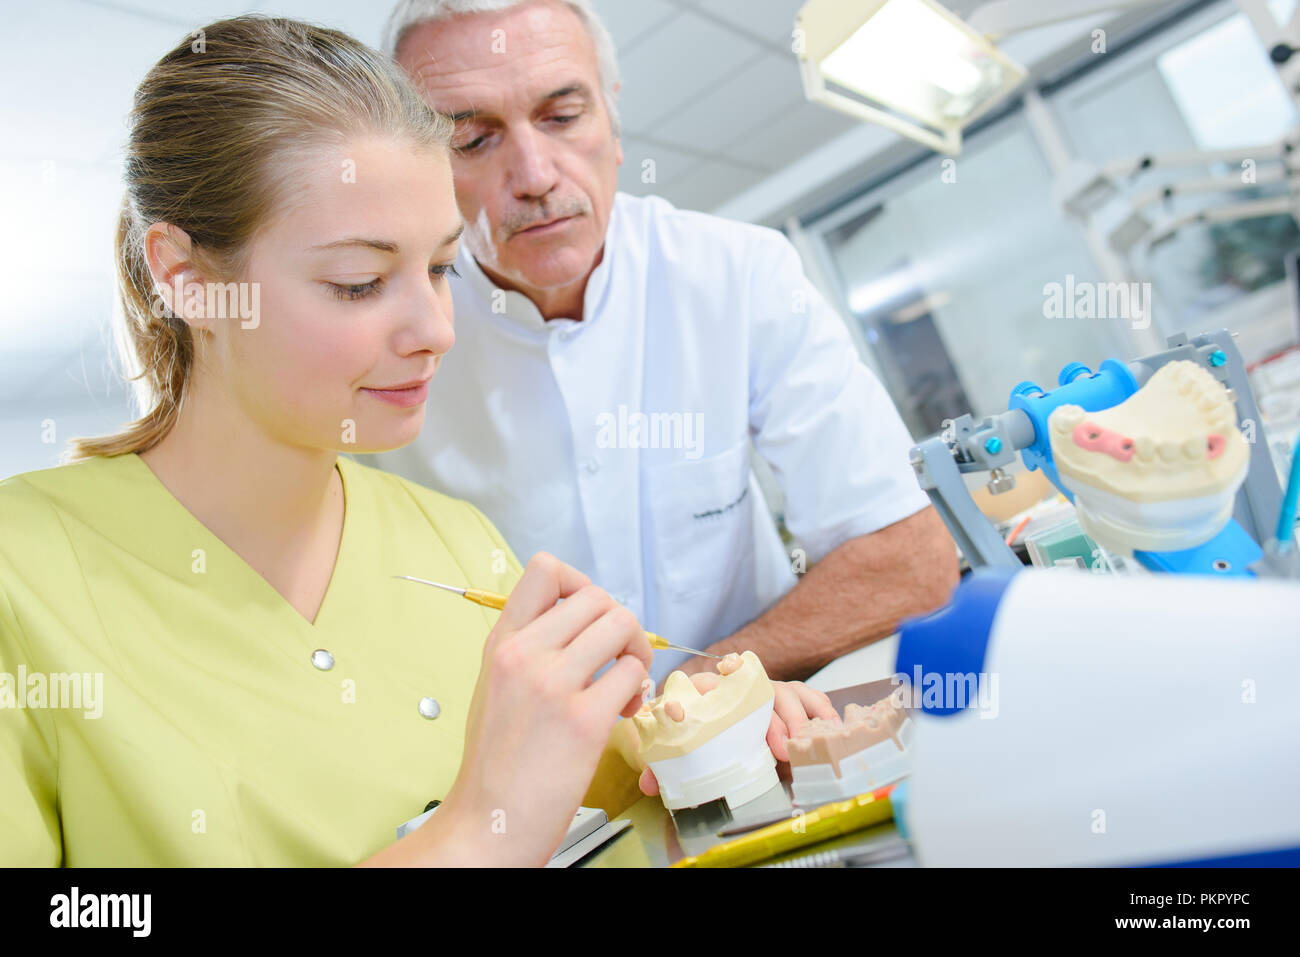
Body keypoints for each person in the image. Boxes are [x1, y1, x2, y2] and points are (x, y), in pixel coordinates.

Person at [0, 15, 833, 868]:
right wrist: (472, 833)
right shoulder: (21, 575)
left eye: (440, 269)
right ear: (187, 277)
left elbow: (616, 814)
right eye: (359, 283)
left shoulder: (458, 541)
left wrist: (712, 757)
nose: (437, 329)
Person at [375, 0, 961, 685]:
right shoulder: (388, 351)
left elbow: (909, 560)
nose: (535, 176)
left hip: (767, 726)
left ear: (613, 121)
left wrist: (696, 692)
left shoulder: (738, 274)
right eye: (473, 140)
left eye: (562, 117)